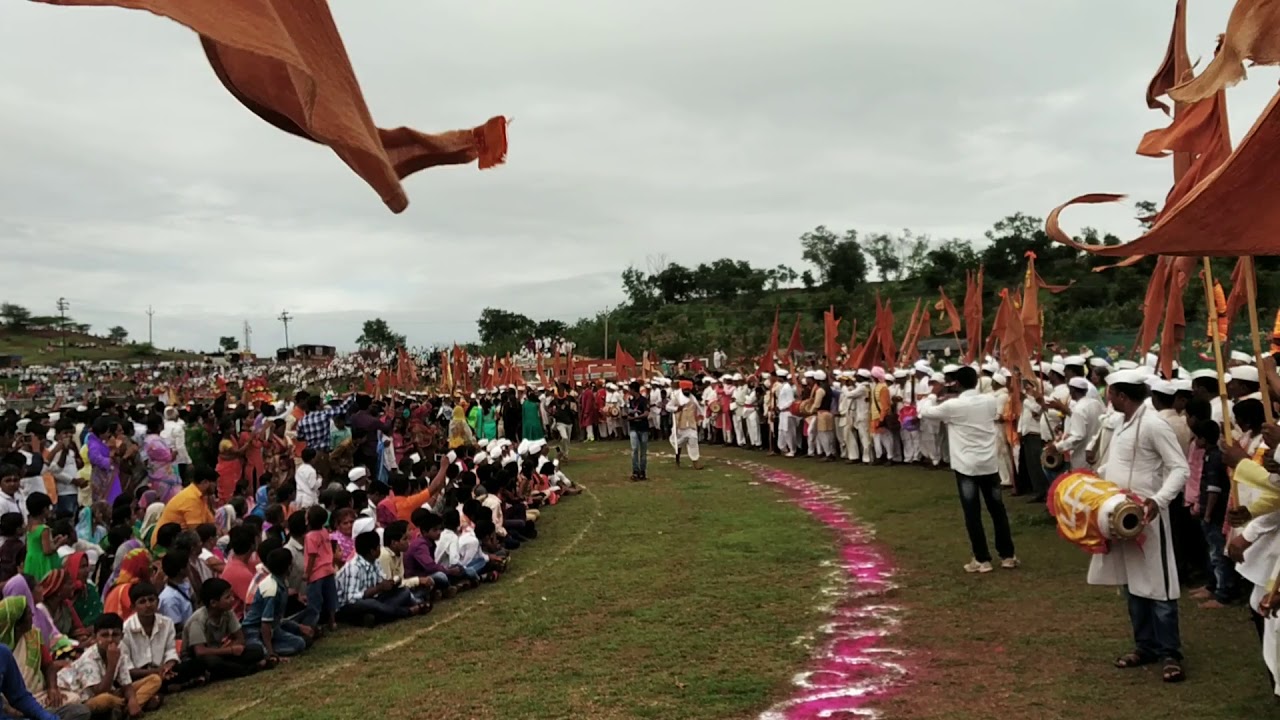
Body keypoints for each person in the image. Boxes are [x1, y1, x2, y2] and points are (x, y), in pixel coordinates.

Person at [1089, 369, 1189, 683]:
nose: (1108, 398)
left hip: (1147, 518)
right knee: (1133, 585)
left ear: (1121, 395)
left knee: (1158, 586)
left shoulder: (1154, 423)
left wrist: (1158, 501)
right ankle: (1144, 646)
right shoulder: (1120, 423)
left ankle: (1170, 654)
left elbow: (1179, 468)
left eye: (1110, 394)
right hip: (1121, 517)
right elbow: (1114, 465)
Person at [919, 365, 1018, 573]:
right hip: (988, 464)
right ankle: (1007, 555)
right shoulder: (989, 401)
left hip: (967, 466)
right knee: (997, 510)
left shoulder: (954, 406)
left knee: (972, 513)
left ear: (957, 383)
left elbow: (925, 412)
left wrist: (933, 395)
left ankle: (982, 559)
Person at [58, 612, 161, 717]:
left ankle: (128, 708)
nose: (110, 640)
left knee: (154, 679)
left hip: (110, 693)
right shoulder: (88, 658)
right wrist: (112, 664)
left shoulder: (119, 652)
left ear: (122, 636)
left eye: (115, 635)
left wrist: (133, 700)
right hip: (83, 701)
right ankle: (127, 708)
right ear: (95, 637)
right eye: (104, 635)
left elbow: (127, 684)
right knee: (106, 699)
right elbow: (100, 692)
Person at [180, 579, 267, 680]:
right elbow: (200, 652)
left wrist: (232, 648)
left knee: (256, 650)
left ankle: (229, 670)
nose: (232, 599)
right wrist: (229, 650)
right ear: (213, 603)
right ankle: (249, 669)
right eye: (227, 597)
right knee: (212, 663)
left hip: (219, 651)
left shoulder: (227, 613)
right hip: (198, 658)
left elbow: (240, 639)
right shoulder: (198, 620)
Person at [121, 582, 200, 692]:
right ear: (133, 607)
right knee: (128, 681)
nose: (148, 605)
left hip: (164, 671)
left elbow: (170, 651)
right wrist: (157, 672)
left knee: (195, 664)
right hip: (140, 675)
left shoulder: (167, 623)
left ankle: (164, 686)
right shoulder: (125, 630)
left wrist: (168, 667)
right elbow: (127, 669)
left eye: (151, 600)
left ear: (158, 602)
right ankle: (168, 686)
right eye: (142, 602)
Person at [335, 531, 424, 625]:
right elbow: (351, 599)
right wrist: (378, 588)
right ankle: (406, 612)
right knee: (371, 603)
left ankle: (374, 617)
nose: (380, 549)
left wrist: (391, 583)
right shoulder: (354, 567)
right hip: (348, 606)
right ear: (372, 551)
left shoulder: (375, 561)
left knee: (404, 592)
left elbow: (382, 581)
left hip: (374, 600)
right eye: (378, 547)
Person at [242, 545, 315, 659]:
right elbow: (265, 624)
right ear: (288, 568)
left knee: (301, 641)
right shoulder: (271, 589)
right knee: (260, 652)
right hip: (255, 630)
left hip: (273, 628)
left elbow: (276, 619)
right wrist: (271, 653)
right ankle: (268, 650)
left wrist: (299, 627)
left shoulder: (281, 582)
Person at [303, 506, 338, 631]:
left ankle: (313, 625)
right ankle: (332, 622)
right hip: (328, 568)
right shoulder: (324, 531)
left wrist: (307, 573)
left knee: (314, 600)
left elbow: (312, 555)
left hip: (316, 572)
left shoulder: (310, 536)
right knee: (330, 597)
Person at [23, 493, 62, 583]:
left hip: (31, 559)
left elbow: (35, 543)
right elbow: (47, 550)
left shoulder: (29, 527)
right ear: (44, 509)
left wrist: (54, 540)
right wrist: (60, 543)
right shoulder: (44, 529)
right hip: (42, 561)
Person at [626, 381, 650, 481]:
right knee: (635, 449)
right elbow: (628, 413)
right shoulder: (631, 401)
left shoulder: (644, 400)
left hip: (643, 427)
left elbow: (646, 413)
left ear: (633, 390)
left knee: (643, 452)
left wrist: (635, 418)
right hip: (633, 427)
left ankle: (643, 471)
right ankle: (635, 471)